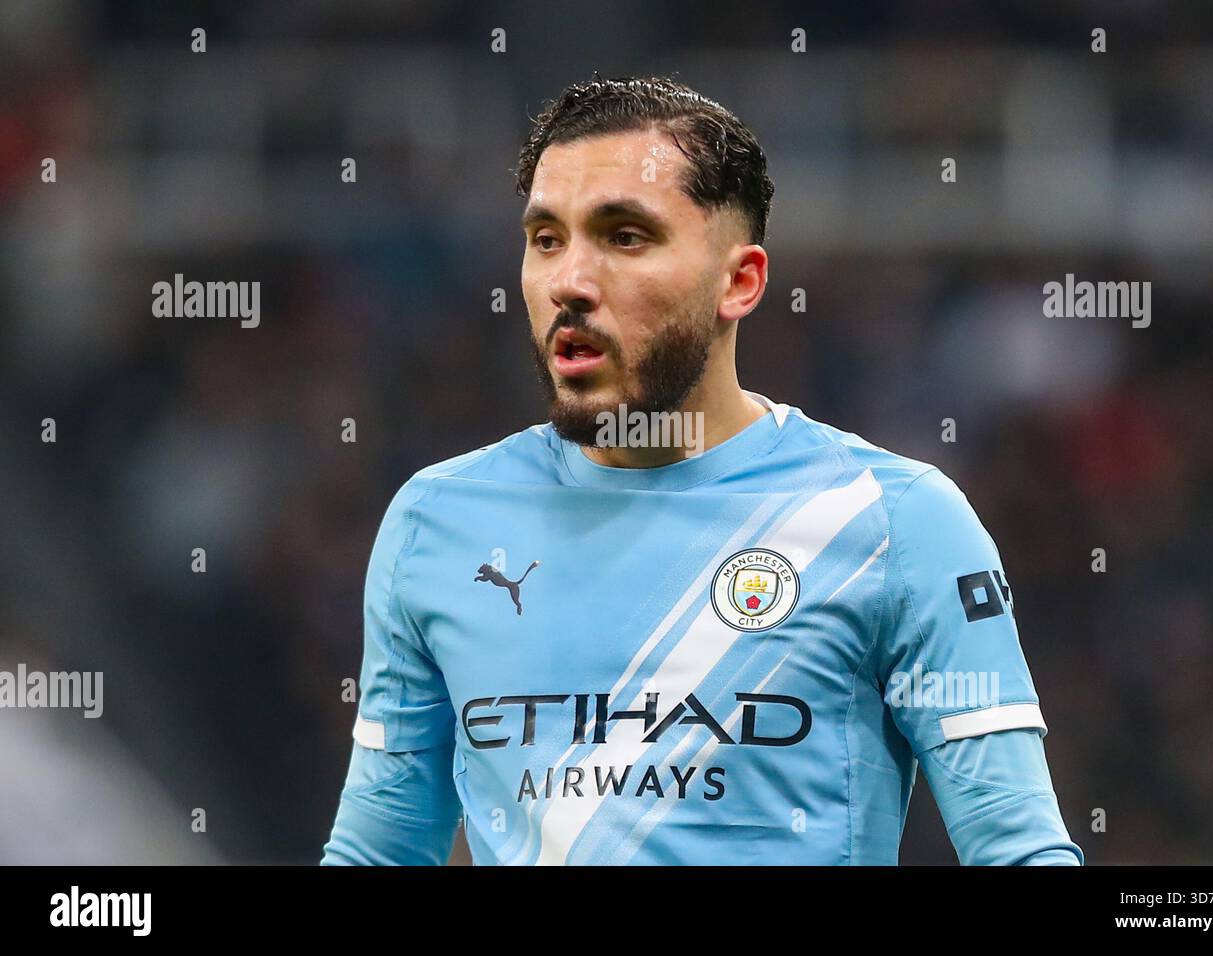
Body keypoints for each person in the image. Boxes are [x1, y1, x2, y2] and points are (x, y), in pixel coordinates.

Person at [321, 75, 1083, 866]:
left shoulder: (894, 520)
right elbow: (378, 852)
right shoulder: (438, 520)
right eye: (546, 238)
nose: (569, 283)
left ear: (740, 281)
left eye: (624, 237)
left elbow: (1018, 851)